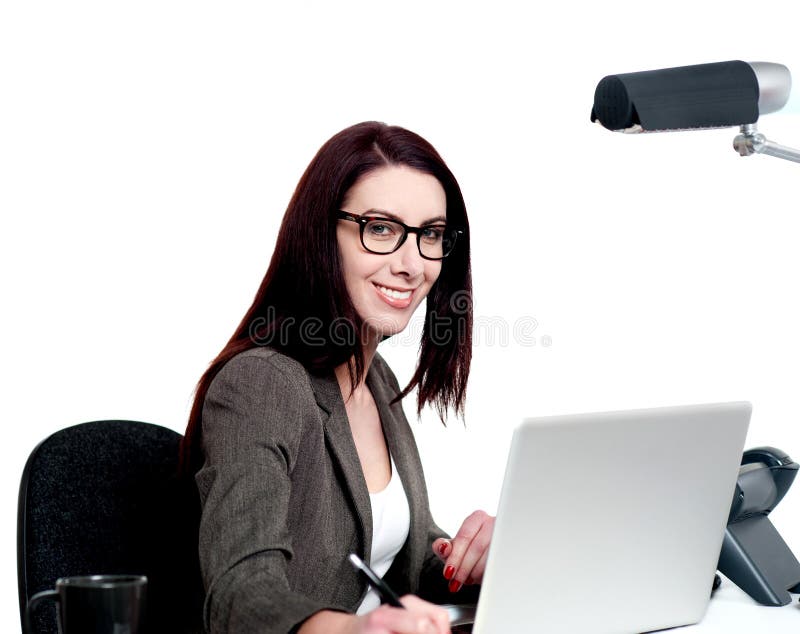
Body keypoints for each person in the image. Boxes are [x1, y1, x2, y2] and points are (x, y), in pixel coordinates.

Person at [181, 121, 495, 634]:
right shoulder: (260, 384)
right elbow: (241, 593)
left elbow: (396, 564)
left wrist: (476, 562)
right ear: (322, 236)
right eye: (380, 229)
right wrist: (353, 631)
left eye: (431, 235)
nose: (411, 264)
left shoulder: (378, 382)